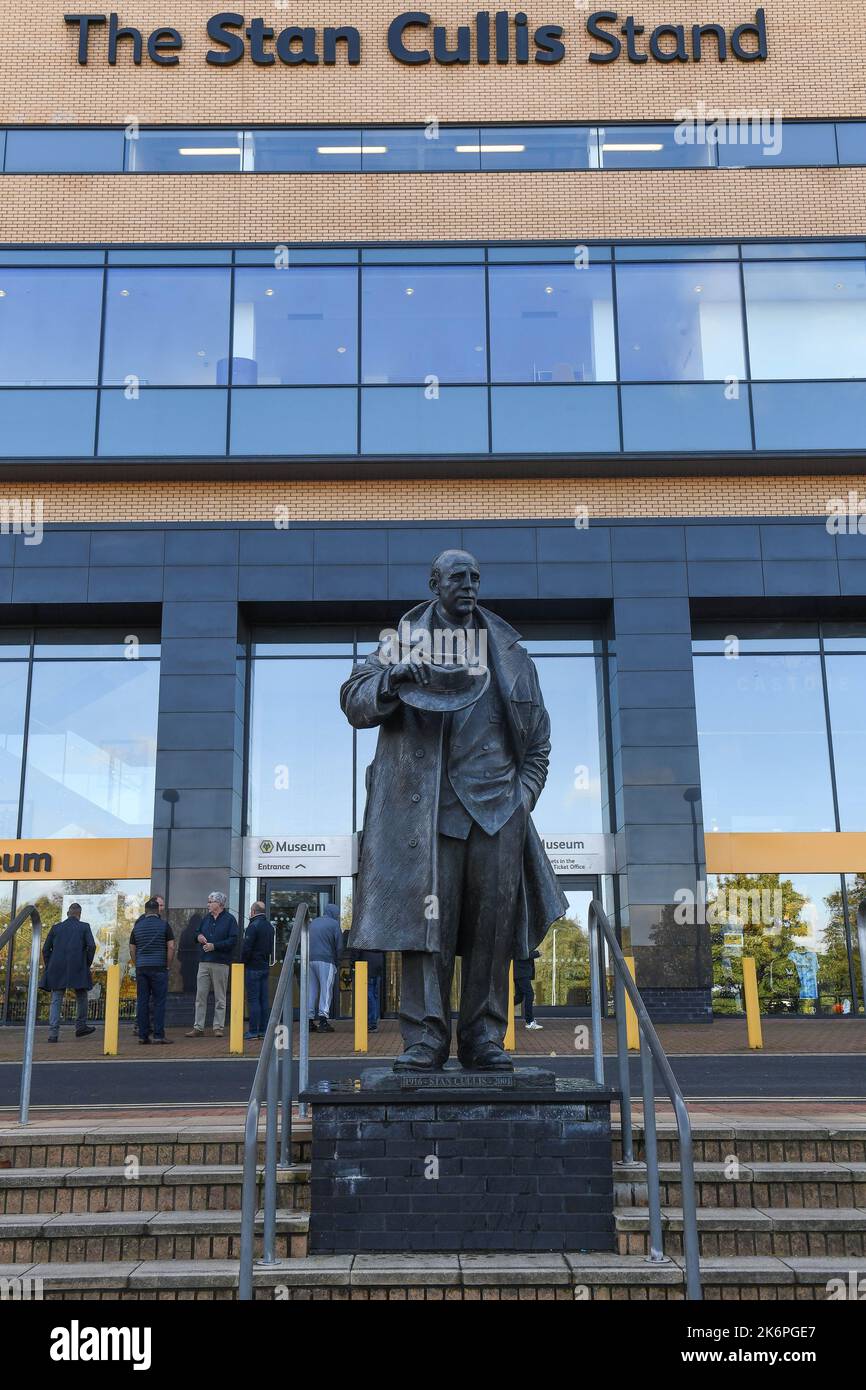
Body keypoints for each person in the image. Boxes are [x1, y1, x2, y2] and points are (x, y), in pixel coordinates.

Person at [341, 549, 566, 1072]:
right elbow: (354, 699)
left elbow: (538, 745)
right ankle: (425, 1038)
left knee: (491, 931)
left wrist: (521, 800)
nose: (468, 585)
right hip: (426, 814)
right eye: (457, 577)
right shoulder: (400, 641)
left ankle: (485, 1036)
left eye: (475, 578)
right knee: (427, 932)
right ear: (435, 583)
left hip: (497, 813)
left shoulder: (511, 654)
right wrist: (395, 676)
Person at [41, 903, 96, 1043]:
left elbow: (45, 949)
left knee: (56, 999)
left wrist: (50, 965)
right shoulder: (84, 927)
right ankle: (80, 1026)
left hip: (57, 967)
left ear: (67, 913)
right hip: (78, 965)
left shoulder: (56, 928)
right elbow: (91, 946)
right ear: (79, 914)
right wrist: (86, 963)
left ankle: (53, 1034)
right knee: (82, 995)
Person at [185, 891, 238, 1038]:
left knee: (220, 997)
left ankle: (218, 1027)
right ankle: (198, 1027)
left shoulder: (230, 920)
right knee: (200, 996)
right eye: (208, 901)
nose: (208, 904)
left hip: (221, 963)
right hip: (204, 962)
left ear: (219, 904)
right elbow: (196, 933)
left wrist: (215, 946)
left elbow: (233, 941)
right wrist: (198, 936)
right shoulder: (206, 919)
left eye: (210, 901)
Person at [129, 896, 175, 1045]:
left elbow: (132, 948)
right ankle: (158, 1035)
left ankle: (143, 1036)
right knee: (159, 1002)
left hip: (142, 967)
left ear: (145, 911)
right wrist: (167, 964)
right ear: (157, 911)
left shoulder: (137, 927)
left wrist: (137, 963)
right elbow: (171, 946)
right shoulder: (164, 925)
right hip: (159, 968)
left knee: (142, 1001)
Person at [308, 902, 344, 1033]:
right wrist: (338, 961)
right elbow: (339, 946)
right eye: (338, 914)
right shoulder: (334, 924)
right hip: (326, 960)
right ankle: (323, 1020)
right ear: (334, 913)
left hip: (310, 960)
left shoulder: (313, 922)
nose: (339, 916)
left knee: (311, 990)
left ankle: (309, 1020)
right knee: (326, 989)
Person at [242, 900, 274, 1040]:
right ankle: (263, 1030)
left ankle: (253, 1031)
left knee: (253, 1000)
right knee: (264, 1000)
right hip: (265, 966)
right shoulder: (269, 927)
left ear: (253, 911)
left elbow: (247, 948)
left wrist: (243, 961)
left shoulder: (253, 926)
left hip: (253, 967)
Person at [349, 948, 385, 1031]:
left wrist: (353, 964)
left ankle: (371, 1022)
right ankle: (373, 1021)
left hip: (366, 965)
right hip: (378, 964)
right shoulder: (377, 936)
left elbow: (356, 950)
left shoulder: (362, 935)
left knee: (369, 995)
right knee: (374, 995)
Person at [514, 950, 542, 1030]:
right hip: (521, 972)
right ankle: (530, 1022)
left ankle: (503, 1008)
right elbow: (523, 954)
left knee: (519, 997)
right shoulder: (521, 941)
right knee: (529, 994)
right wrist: (537, 953)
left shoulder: (524, 941)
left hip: (520, 972)